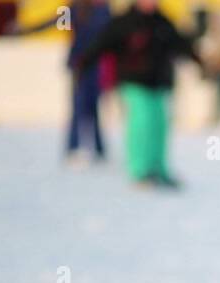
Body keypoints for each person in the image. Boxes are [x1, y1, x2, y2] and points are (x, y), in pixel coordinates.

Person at [78, 0, 202, 187]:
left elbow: (181, 45)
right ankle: (139, 170)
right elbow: (102, 44)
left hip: (159, 83)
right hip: (134, 82)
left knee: (159, 127)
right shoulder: (124, 22)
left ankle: (158, 168)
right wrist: (84, 62)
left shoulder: (162, 21)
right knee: (140, 124)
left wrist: (200, 61)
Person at [12, 0, 112, 163]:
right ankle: (73, 148)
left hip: (96, 65)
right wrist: (26, 30)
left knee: (93, 107)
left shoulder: (103, 9)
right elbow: (52, 23)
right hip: (79, 65)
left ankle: (99, 149)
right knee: (78, 106)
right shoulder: (77, 8)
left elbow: (114, 33)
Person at [192, 4, 220, 128]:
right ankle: (208, 115)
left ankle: (216, 116)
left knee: (216, 91)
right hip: (210, 67)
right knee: (207, 91)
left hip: (218, 66)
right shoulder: (206, 33)